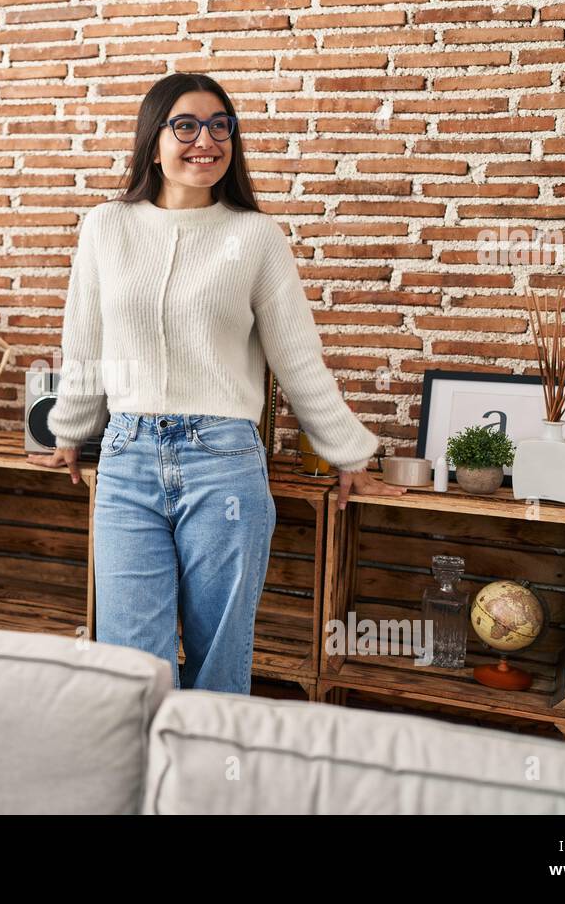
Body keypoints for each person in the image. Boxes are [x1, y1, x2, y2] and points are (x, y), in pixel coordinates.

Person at [26, 72, 405, 694]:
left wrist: (350, 450)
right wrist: (69, 428)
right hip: (127, 458)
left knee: (219, 661)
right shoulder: (106, 227)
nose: (206, 139)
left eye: (220, 125)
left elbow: (298, 357)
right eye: (186, 126)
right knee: (132, 664)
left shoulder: (254, 236)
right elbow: (85, 344)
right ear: (154, 142)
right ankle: (147, 786)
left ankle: (210, 784)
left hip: (224, 460)